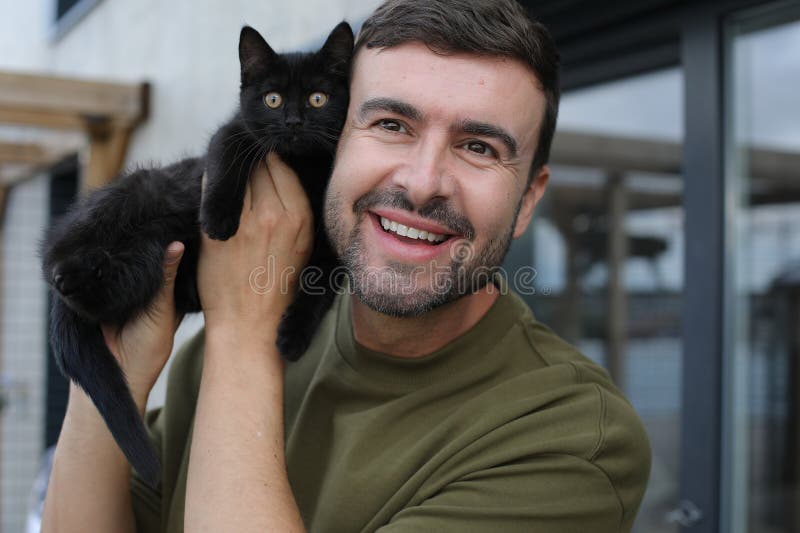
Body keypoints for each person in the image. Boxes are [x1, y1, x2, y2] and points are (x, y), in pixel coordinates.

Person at [41, 0, 651, 531]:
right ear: (338, 143)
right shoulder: (219, 351)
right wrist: (112, 368)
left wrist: (244, 333)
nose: (421, 184)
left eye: (477, 146)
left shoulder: (567, 439)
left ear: (528, 201)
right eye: (390, 124)